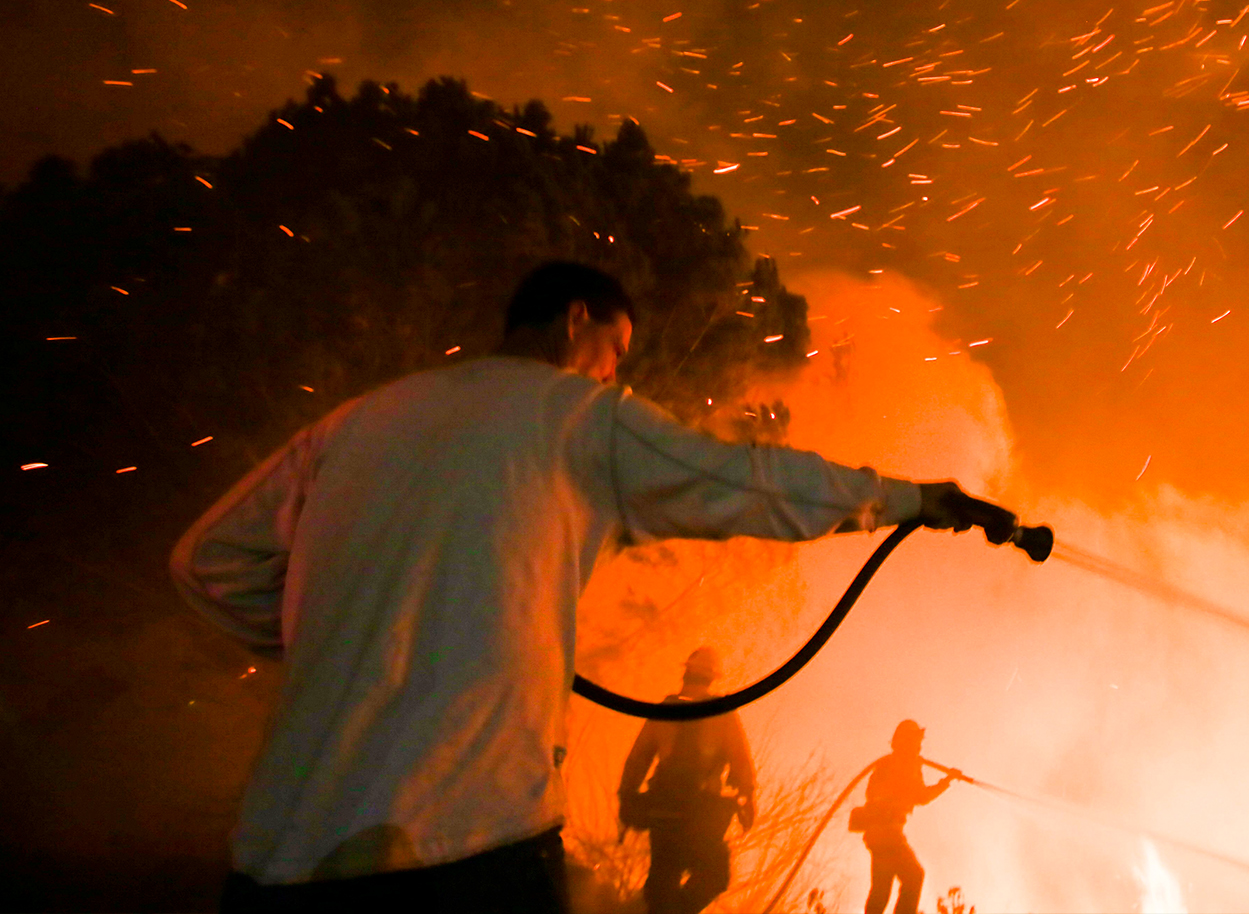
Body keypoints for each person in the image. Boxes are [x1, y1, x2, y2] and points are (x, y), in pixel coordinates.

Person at [172, 261, 988, 912]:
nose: (614, 372)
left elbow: (205, 563)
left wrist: (334, 645)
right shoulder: (577, 415)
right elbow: (747, 482)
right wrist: (913, 499)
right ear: (575, 324)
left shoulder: (356, 422)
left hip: (279, 860)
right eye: (616, 350)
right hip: (466, 847)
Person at [619, 647, 754, 914]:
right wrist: (747, 799)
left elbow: (638, 759)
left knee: (662, 878)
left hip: (662, 810)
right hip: (703, 815)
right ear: (713, 678)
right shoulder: (722, 714)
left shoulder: (665, 711)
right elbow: (741, 762)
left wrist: (626, 797)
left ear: (686, 672)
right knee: (714, 876)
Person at [857, 721, 954, 914]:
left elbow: (873, 793)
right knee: (914, 876)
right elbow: (922, 796)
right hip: (889, 834)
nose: (919, 746)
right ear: (907, 741)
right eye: (917, 741)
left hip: (877, 835)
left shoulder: (887, 764)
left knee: (881, 891)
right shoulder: (905, 763)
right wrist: (947, 781)